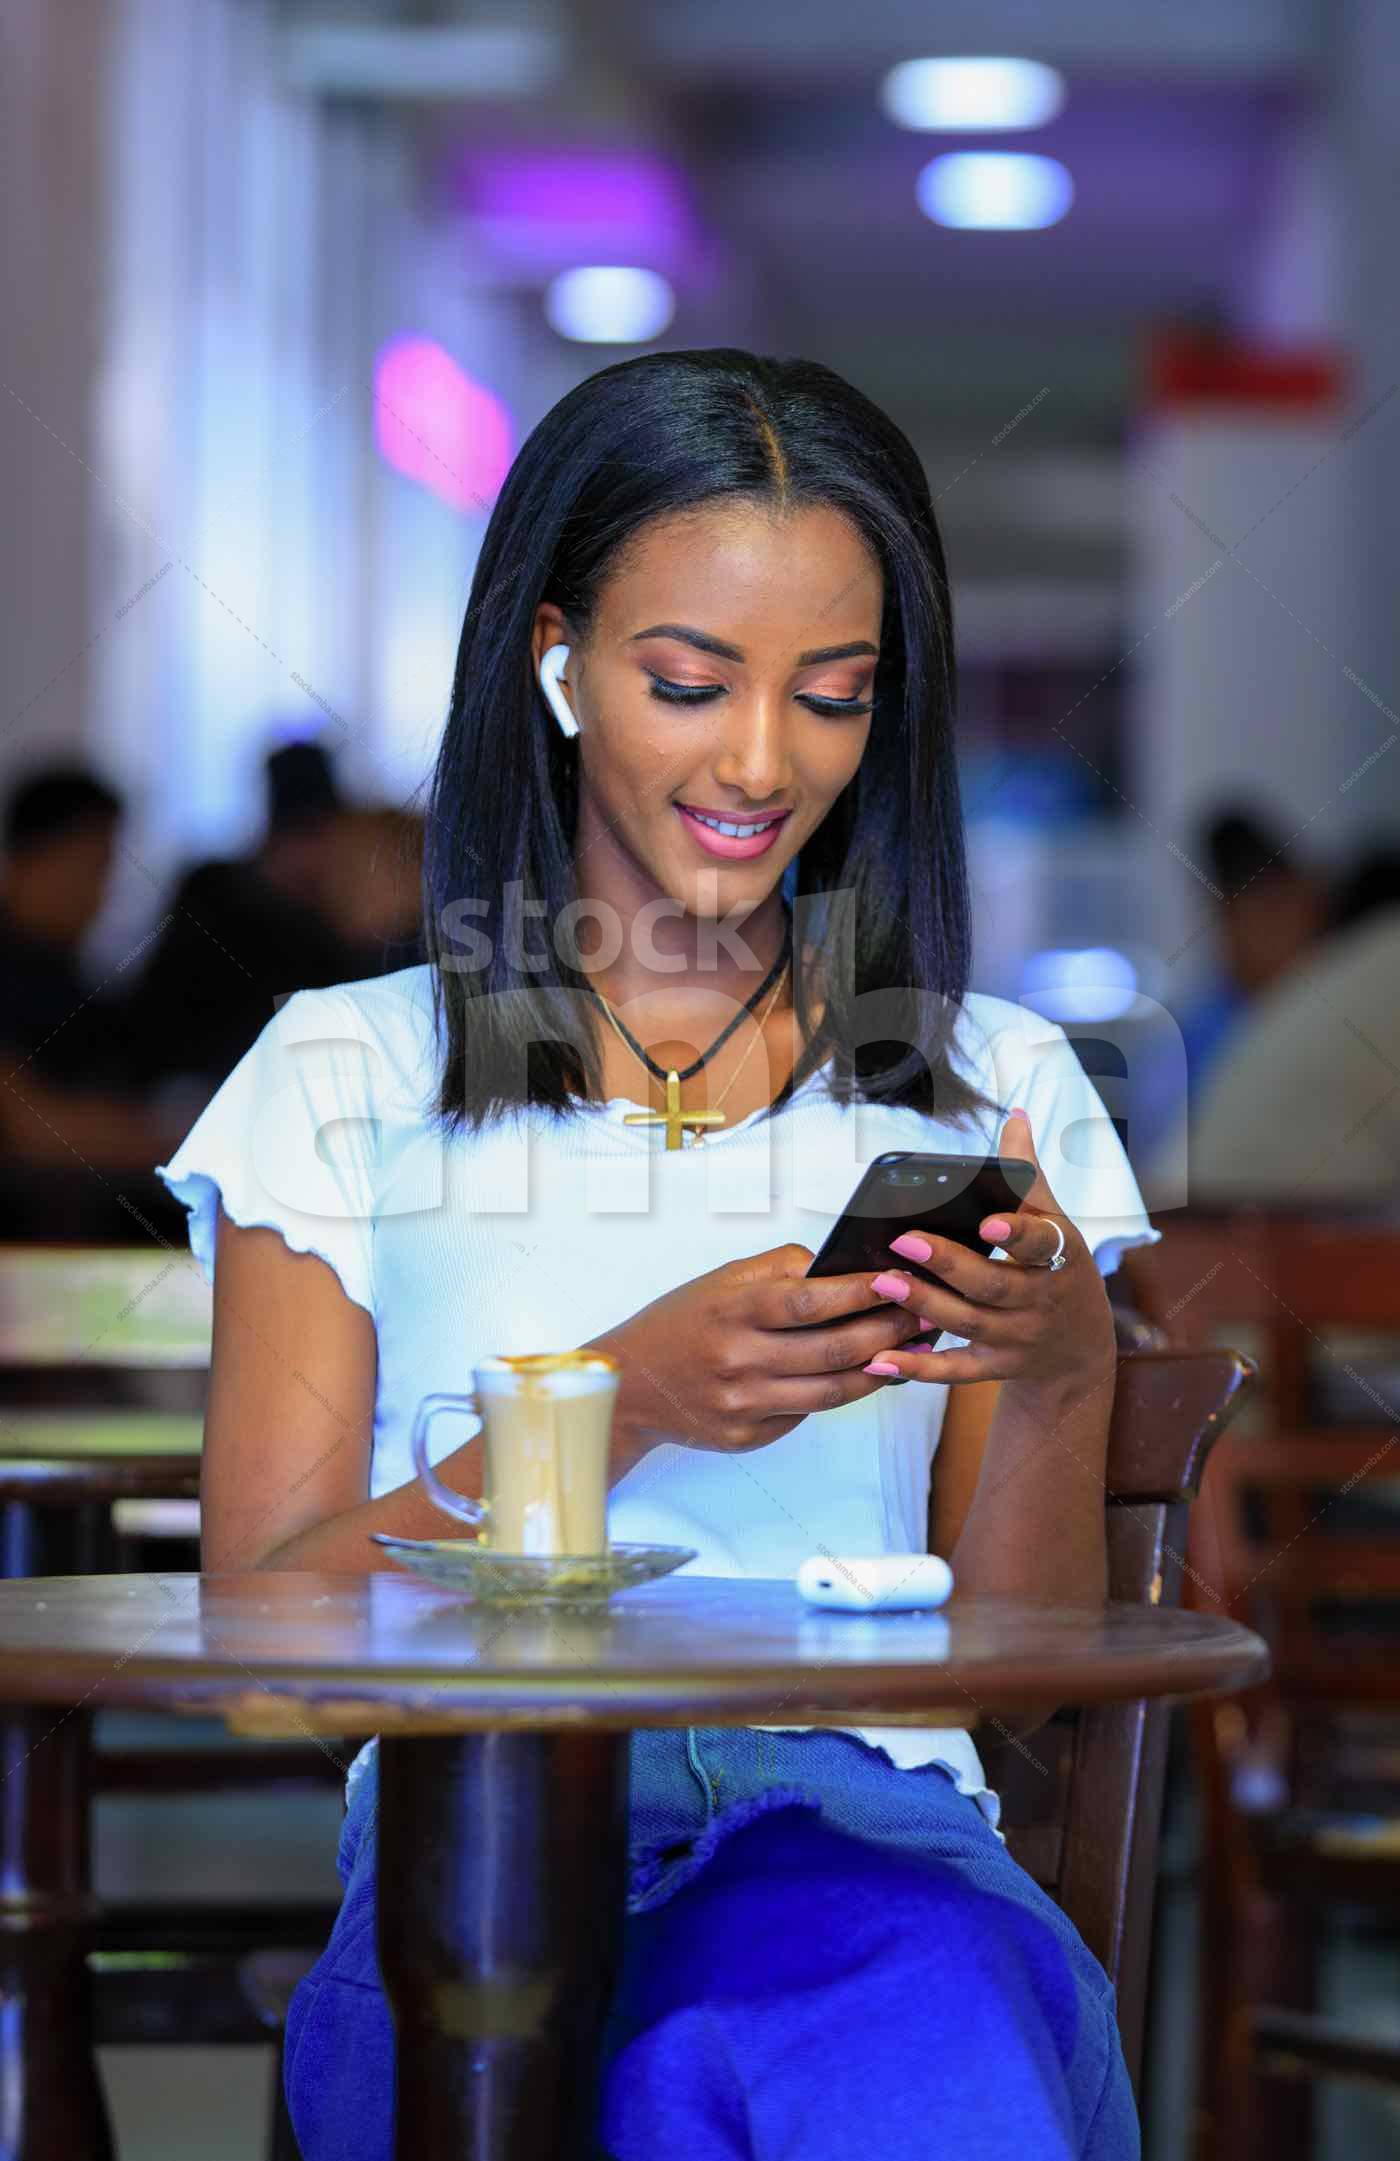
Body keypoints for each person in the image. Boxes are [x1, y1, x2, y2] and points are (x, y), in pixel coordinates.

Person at [154, 348, 1162, 2159]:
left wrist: (1066, 1359)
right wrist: (613, 1404)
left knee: (856, 2026)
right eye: (689, 682)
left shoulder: (987, 1081)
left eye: (835, 698)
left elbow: (1012, 1672)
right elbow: (266, 1651)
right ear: (553, 658)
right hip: (482, 1856)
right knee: (667, 2068)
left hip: (863, 1831)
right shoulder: (344, 1069)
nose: (763, 763)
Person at [119, 738, 369, 1094]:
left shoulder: (335, 913)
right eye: (306, 835)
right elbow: (163, 1017)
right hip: (194, 1091)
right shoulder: (214, 892)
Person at [0, 763, 181, 1171]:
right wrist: (176, 1142)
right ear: (36, 858)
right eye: (93, 868)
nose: (101, 894)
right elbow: (34, 1129)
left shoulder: (68, 975)